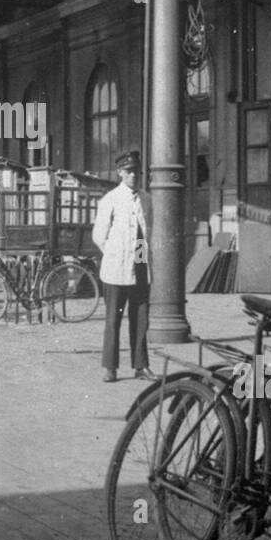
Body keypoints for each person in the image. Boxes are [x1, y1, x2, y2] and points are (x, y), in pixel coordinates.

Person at [91, 149, 154, 382]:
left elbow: (149, 230)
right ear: (120, 173)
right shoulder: (111, 199)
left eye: (137, 171)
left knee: (140, 319)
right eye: (129, 172)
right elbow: (99, 235)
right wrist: (115, 254)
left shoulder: (147, 199)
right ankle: (110, 367)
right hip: (116, 269)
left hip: (139, 264)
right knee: (113, 319)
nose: (134, 176)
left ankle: (141, 366)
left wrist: (140, 257)